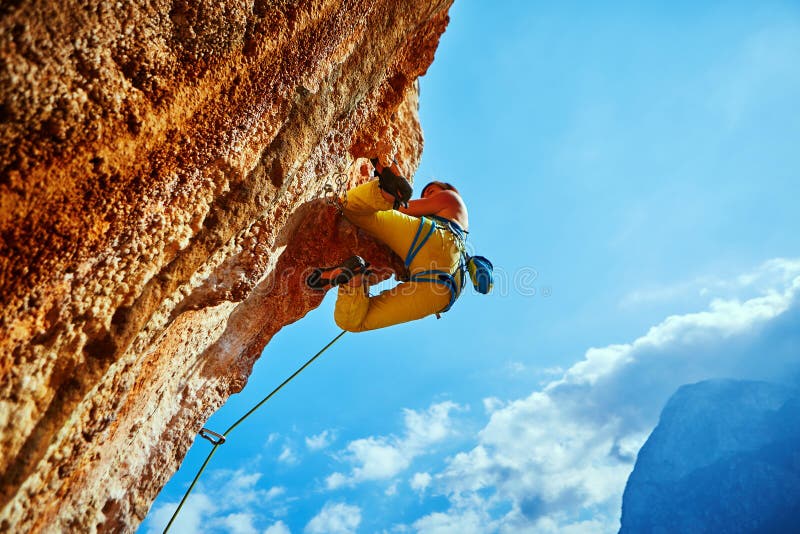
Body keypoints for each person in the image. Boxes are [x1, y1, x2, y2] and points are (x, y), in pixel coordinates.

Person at [306, 159, 469, 332]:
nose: (426, 195)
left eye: (432, 190)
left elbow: (401, 210)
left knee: (350, 207)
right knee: (352, 323)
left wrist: (391, 200)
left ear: (448, 189)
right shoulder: (457, 219)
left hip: (433, 237)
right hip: (444, 289)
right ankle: (353, 278)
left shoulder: (452, 198)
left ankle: (387, 193)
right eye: (424, 194)